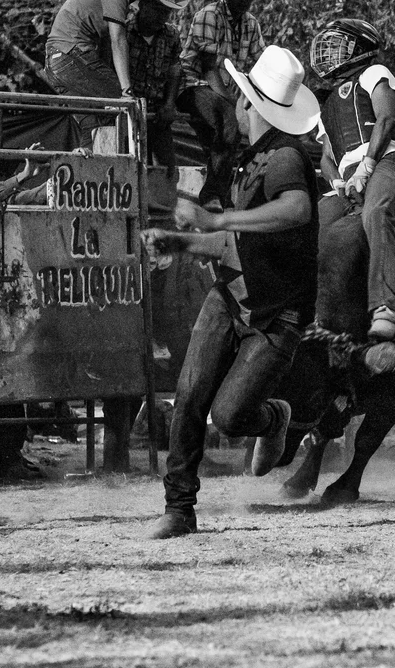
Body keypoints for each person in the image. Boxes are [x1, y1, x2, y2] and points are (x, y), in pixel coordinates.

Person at [143, 45, 320, 539]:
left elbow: (297, 210)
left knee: (228, 414)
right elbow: (232, 240)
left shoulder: (283, 158)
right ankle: (179, 507)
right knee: (190, 395)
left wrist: (217, 217)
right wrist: (181, 242)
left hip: (275, 313)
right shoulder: (252, 162)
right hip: (233, 297)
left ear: (249, 105)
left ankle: (275, 417)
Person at [309, 18, 395, 351]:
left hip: (386, 158)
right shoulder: (325, 103)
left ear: (359, 47)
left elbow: (385, 118)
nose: (328, 54)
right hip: (348, 176)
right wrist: (338, 181)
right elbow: (327, 155)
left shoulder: (374, 73)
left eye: (337, 46)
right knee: (312, 222)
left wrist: (368, 165)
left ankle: (385, 307)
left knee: (376, 212)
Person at [45, 0, 176, 142]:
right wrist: (124, 90)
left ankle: (90, 172)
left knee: (94, 124)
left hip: (58, 62)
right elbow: (117, 40)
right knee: (129, 105)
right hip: (69, 56)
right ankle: (131, 169)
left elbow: (106, 44)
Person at [176, 0, 271, 210]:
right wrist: (234, 102)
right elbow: (208, 68)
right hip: (192, 84)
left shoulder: (251, 24)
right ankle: (213, 194)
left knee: (238, 127)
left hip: (224, 90)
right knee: (229, 119)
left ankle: (227, 192)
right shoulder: (209, 15)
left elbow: (261, 62)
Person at [127, 0, 188, 177]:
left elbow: (175, 70)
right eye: (157, 9)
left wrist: (170, 103)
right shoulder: (124, 31)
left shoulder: (171, 35)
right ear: (143, 4)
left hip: (157, 112)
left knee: (169, 169)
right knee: (130, 166)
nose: (161, 16)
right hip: (128, 110)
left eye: (166, 11)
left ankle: (165, 205)